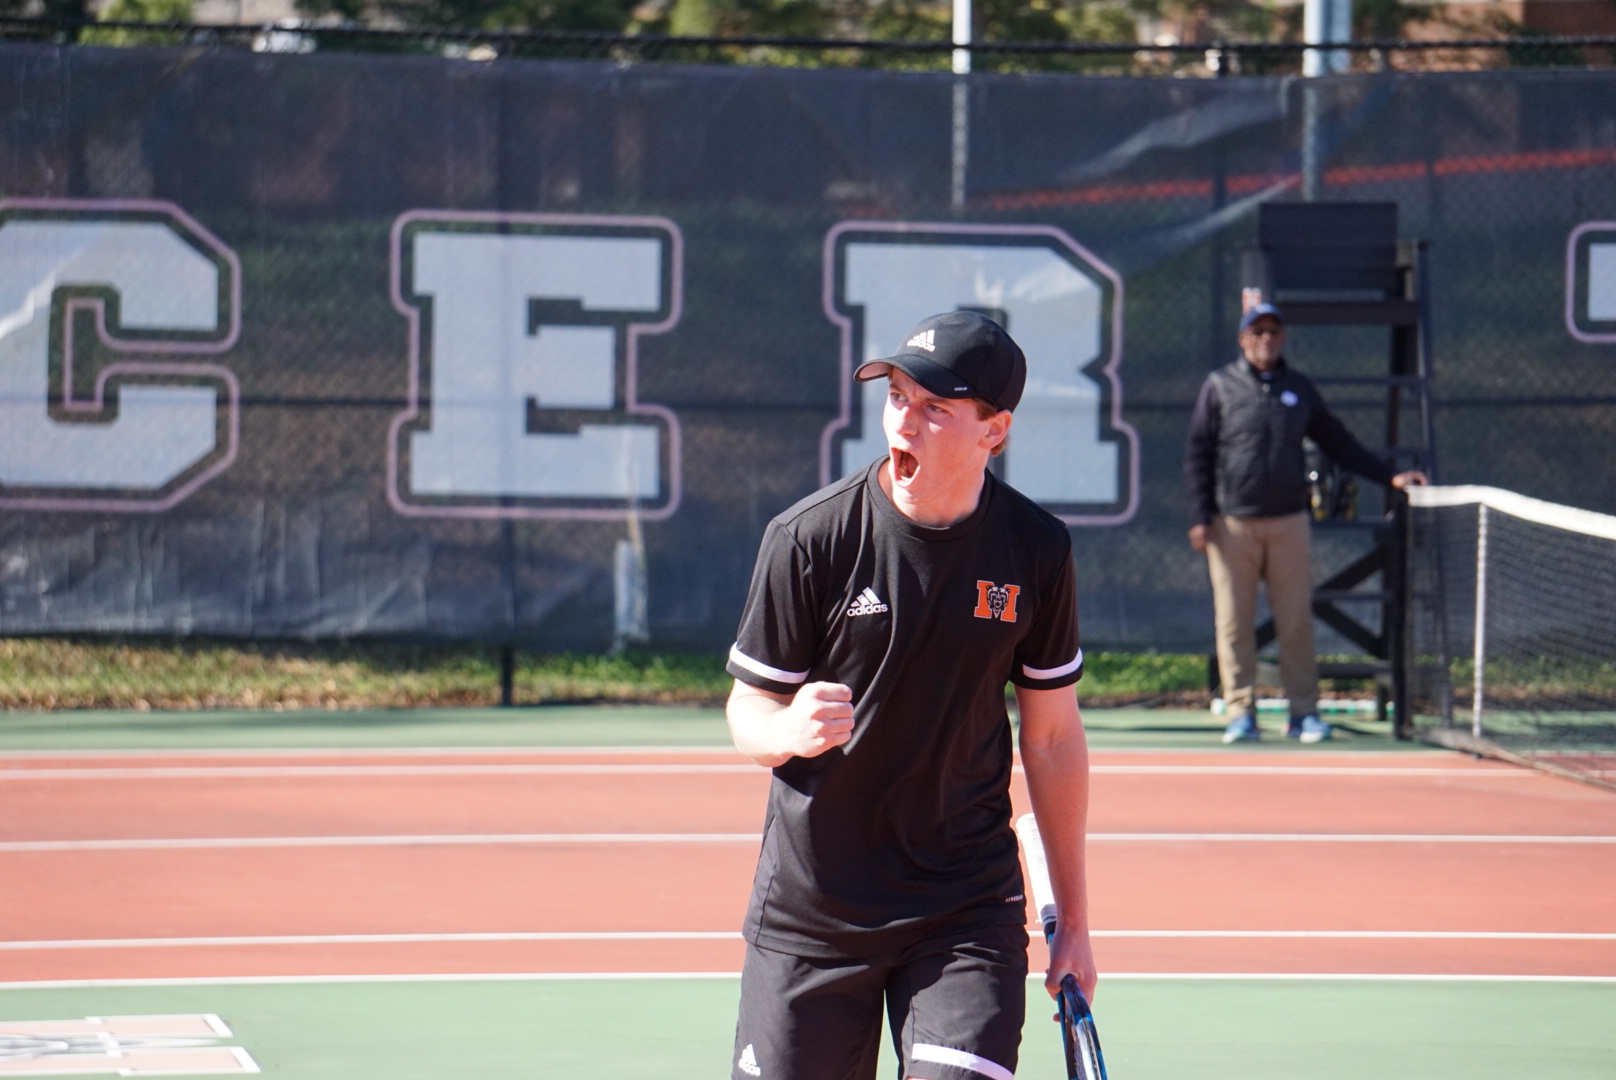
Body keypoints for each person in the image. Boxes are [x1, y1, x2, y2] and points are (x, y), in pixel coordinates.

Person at [723, 310, 1094, 1080]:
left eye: (935, 407)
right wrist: (788, 727)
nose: (905, 421)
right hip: (814, 908)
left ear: (995, 431)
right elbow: (746, 712)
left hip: (964, 908)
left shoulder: (1035, 550)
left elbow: (1052, 739)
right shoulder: (809, 539)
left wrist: (1076, 926)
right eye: (897, 396)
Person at [1184, 303, 1427, 745]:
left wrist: (1389, 477)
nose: (1266, 339)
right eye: (1257, 332)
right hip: (1231, 524)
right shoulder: (1219, 387)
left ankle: (1303, 713)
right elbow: (1198, 455)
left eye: (1273, 332)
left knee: (1295, 620)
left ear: (1282, 339)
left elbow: (1339, 443)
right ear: (1243, 339)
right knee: (1234, 624)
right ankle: (1241, 712)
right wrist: (1200, 518)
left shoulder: (1299, 389)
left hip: (1288, 523)